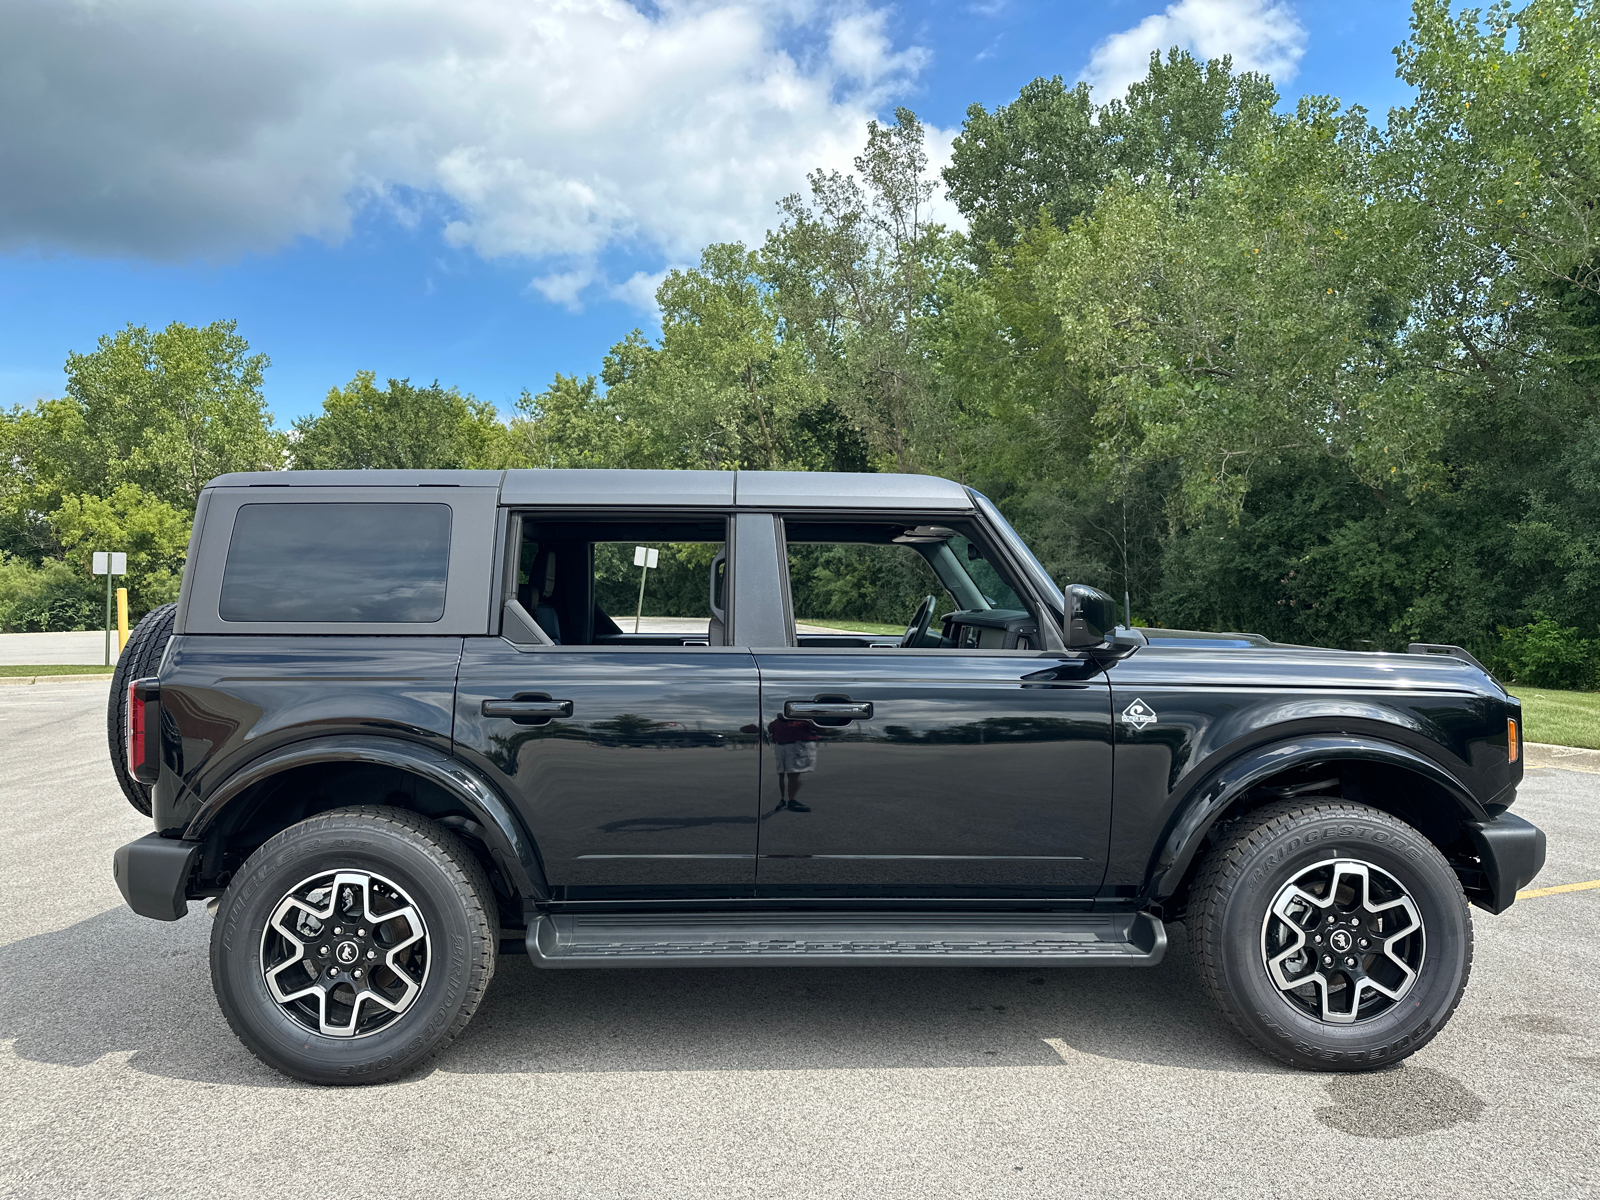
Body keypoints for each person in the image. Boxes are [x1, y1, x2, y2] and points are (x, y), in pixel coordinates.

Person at [767, 714, 821, 812]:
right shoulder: (777, 723)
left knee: (793, 773)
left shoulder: (803, 721)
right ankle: (784, 799)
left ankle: (791, 799)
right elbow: (770, 729)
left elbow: (818, 728)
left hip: (794, 745)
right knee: (782, 773)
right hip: (783, 746)